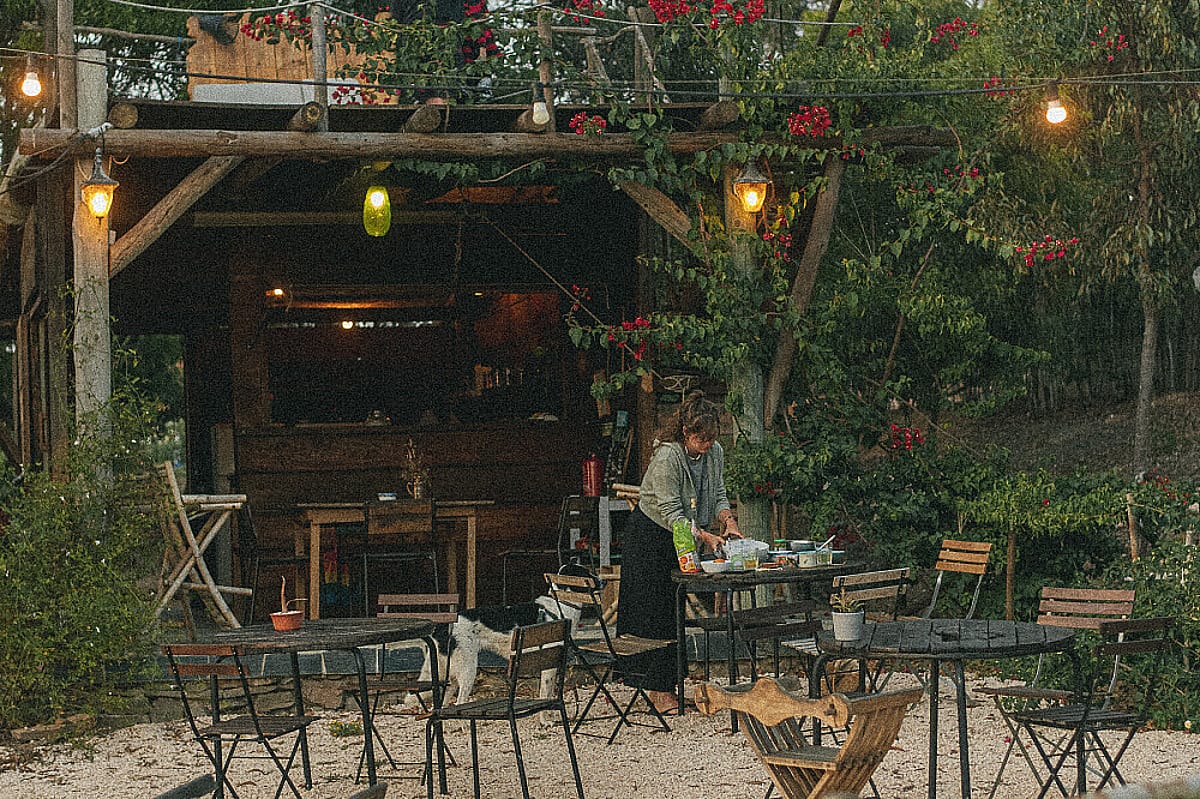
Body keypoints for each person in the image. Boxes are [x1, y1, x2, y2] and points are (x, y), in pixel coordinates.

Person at [616, 390, 741, 714]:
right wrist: (707, 536)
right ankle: (655, 691)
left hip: (683, 538)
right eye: (702, 439)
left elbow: (718, 493)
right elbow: (672, 512)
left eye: (712, 439)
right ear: (686, 432)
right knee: (652, 613)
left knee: (675, 612)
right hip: (651, 538)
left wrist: (728, 522)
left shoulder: (714, 453)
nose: (707, 445)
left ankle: (669, 684)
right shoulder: (667, 458)